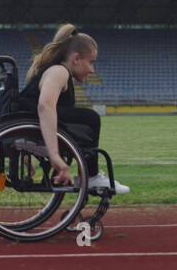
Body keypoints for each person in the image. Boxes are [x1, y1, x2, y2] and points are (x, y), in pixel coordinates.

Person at [18, 24, 130, 195]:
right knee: (90, 118)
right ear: (76, 59)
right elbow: (44, 106)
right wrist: (54, 155)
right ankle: (90, 176)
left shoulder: (52, 70)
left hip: (22, 119)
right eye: (91, 63)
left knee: (78, 116)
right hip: (29, 121)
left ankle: (86, 172)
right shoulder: (59, 71)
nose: (92, 70)